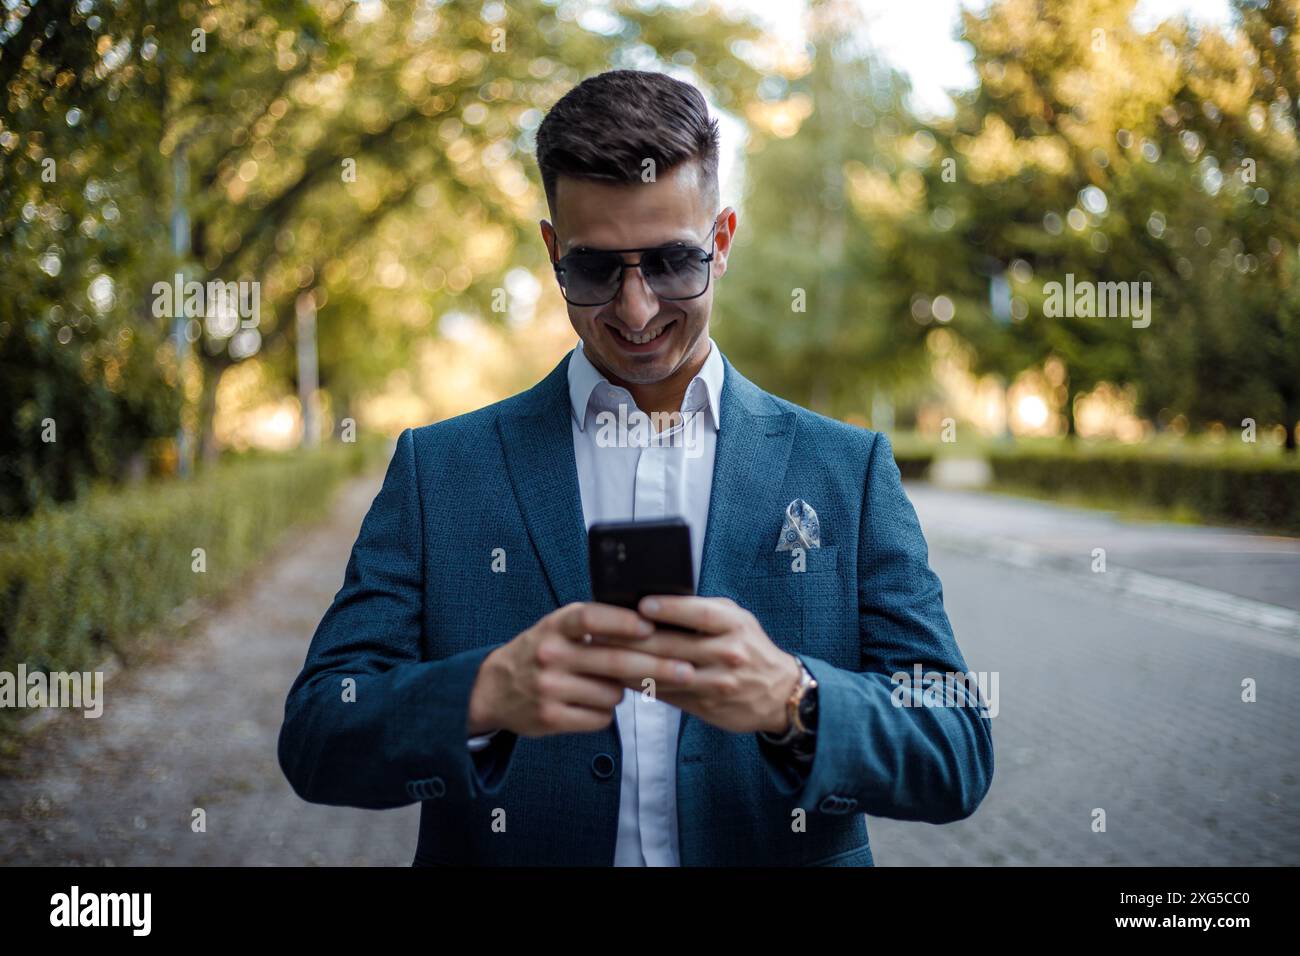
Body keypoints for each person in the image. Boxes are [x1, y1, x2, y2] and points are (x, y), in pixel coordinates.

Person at [277, 69, 993, 866]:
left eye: (672, 263)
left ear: (723, 240)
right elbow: (317, 733)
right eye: (594, 270)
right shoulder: (437, 471)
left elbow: (956, 747)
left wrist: (798, 699)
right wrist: (484, 694)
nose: (636, 308)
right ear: (553, 251)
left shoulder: (847, 470)